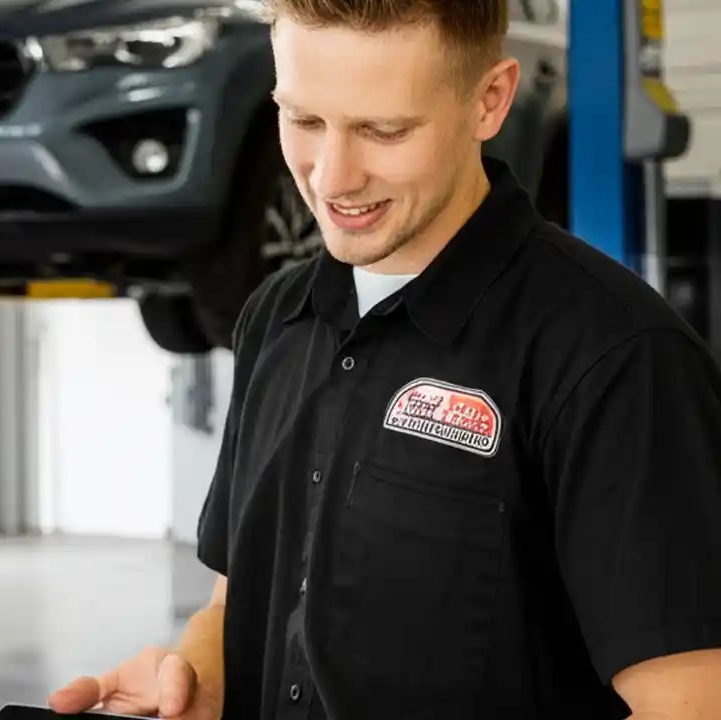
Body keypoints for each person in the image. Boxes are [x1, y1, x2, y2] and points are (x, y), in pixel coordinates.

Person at [51, 1, 721, 718]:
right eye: (304, 120)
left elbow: (688, 701)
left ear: (489, 100)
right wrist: (196, 674)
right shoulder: (275, 319)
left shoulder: (614, 358)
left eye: (383, 130)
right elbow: (236, 595)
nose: (333, 178)